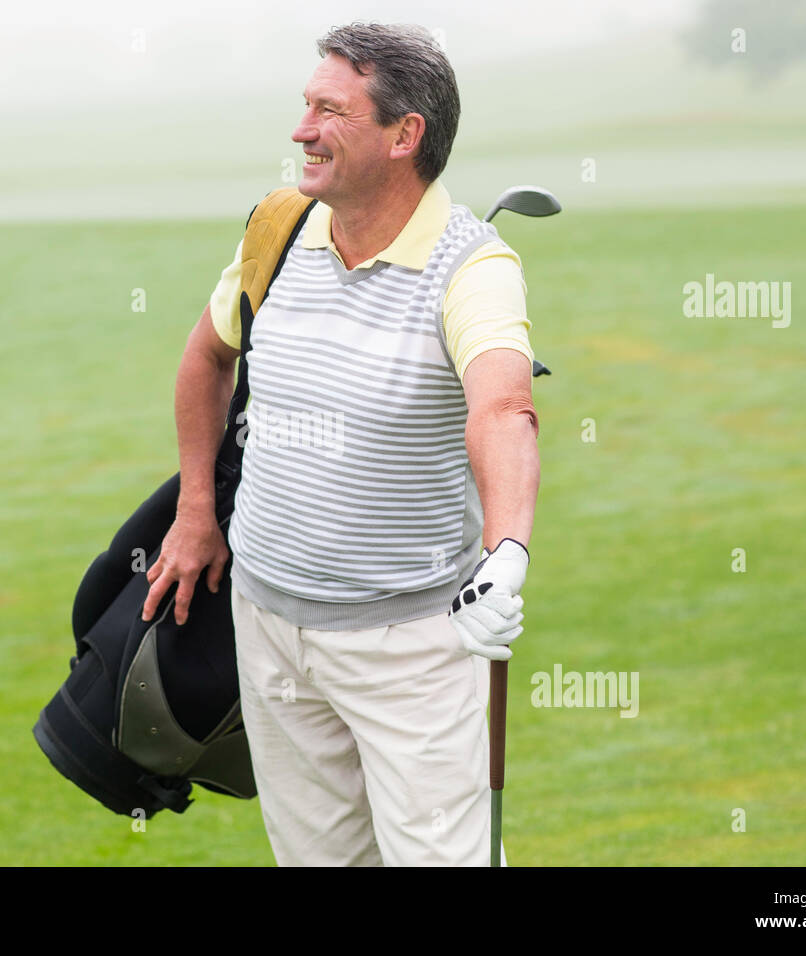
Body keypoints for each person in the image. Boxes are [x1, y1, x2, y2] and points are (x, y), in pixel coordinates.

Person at [142, 21, 540, 866]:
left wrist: (506, 552)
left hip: (413, 647)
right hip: (267, 623)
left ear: (404, 135)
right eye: (306, 106)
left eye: (331, 111)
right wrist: (197, 510)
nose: (302, 130)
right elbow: (207, 357)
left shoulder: (474, 267)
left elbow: (503, 408)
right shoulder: (281, 228)